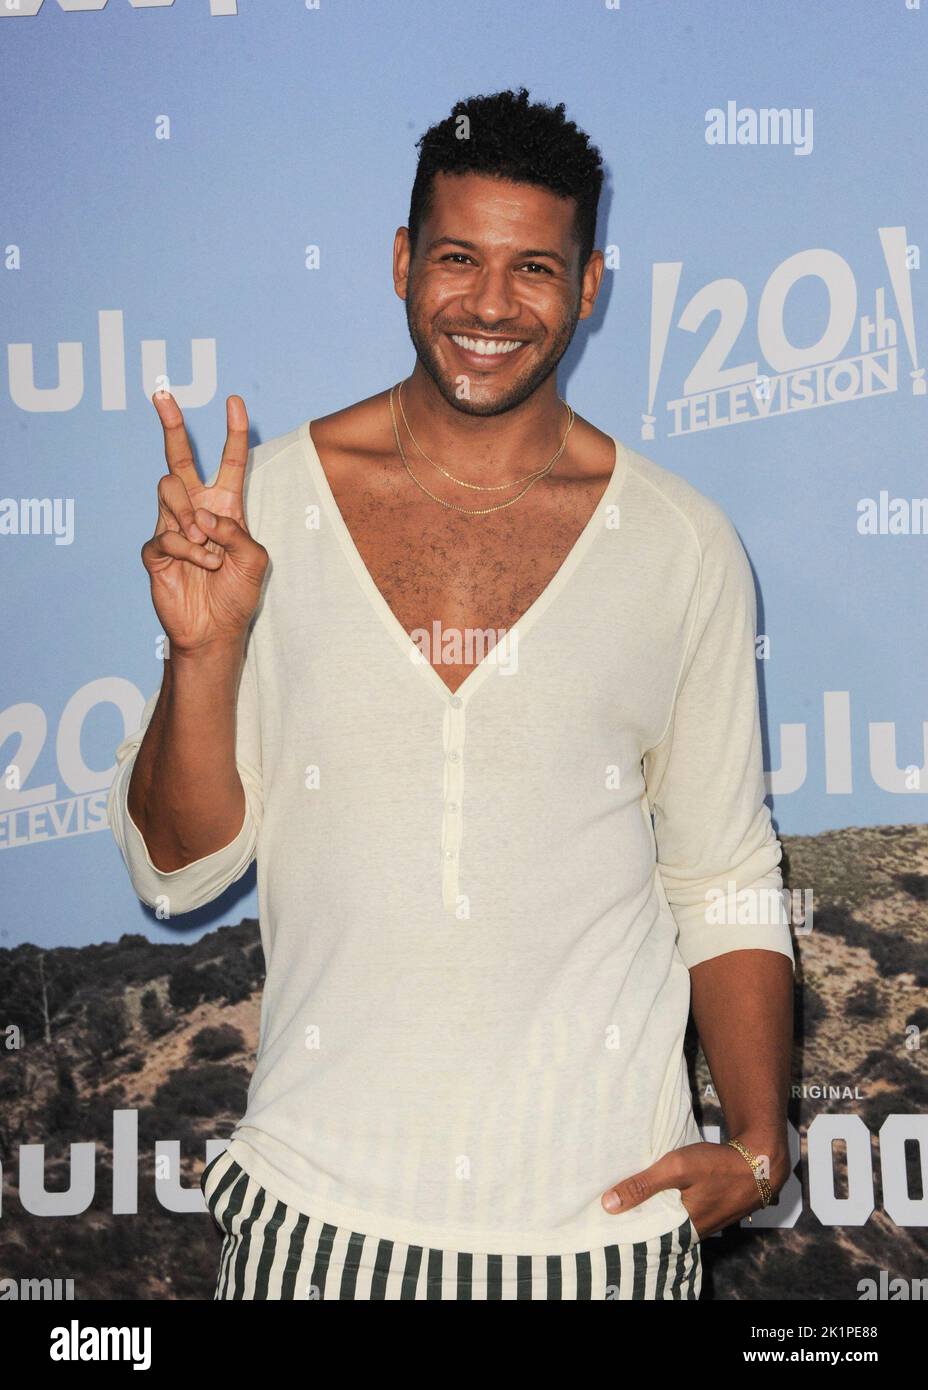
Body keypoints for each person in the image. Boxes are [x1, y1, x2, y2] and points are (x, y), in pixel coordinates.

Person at [107, 87, 795, 1301]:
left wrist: (756, 1139)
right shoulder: (260, 511)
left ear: (588, 289)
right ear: (399, 263)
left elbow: (719, 871)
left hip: (605, 1235)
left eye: (534, 267)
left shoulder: (679, 542)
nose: (488, 304)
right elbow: (178, 865)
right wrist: (201, 654)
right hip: (311, 1224)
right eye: (457, 258)